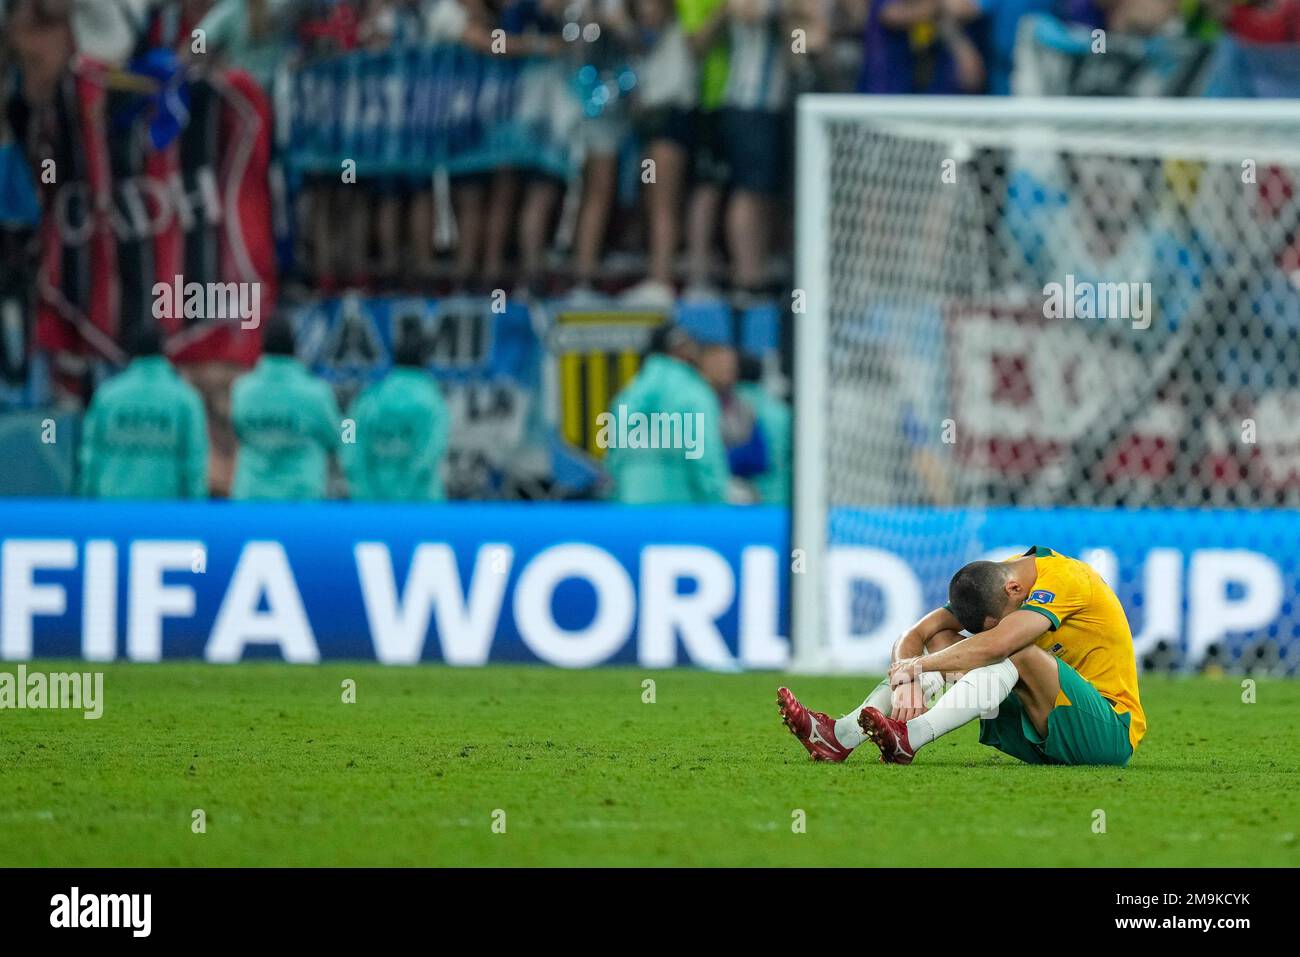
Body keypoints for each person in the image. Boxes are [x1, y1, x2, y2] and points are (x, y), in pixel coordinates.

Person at [778, 546, 1147, 766]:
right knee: (944, 637)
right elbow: (917, 633)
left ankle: (912, 737)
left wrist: (919, 665)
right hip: (1042, 729)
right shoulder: (997, 585)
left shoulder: (1067, 578)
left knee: (1011, 648)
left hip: (1107, 733)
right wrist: (907, 681)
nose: (1000, 626)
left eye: (1001, 620)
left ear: (1016, 589)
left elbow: (1000, 645)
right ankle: (839, 736)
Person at [605, 321, 730, 503]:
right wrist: (718, 502)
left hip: (632, 509)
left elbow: (613, 459)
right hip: (681, 513)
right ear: (681, 350)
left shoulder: (629, 394)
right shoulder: (693, 393)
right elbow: (706, 457)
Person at [78, 324, 209, 499]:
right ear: (164, 352)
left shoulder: (107, 397)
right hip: (166, 514)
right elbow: (194, 463)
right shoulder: (186, 400)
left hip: (113, 510)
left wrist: (86, 501)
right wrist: (196, 512)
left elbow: (90, 456)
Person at [230, 316, 342, 500]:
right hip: (300, 500)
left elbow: (239, 432)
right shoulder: (315, 393)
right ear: (294, 348)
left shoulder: (241, 390)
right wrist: (351, 423)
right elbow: (337, 438)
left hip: (250, 498)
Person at [343, 322, 451, 501]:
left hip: (371, 507)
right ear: (425, 361)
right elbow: (432, 453)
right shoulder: (433, 403)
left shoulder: (365, 400)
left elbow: (348, 441)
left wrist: (363, 487)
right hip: (420, 508)